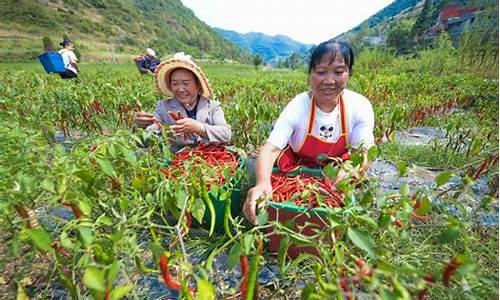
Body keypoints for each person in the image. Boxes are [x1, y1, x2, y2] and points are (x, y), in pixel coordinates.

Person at [243, 39, 375, 225]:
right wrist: (263, 181)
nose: (329, 81)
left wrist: (351, 169)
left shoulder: (359, 106)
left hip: (336, 171)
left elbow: (365, 152)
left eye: (339, 72)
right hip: (297, 170)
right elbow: (271, 148)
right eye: (321, 72)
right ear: (310, 74)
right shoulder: (298, 106)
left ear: (349, 74)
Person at [141, 52, 231, 151]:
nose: (180, 89)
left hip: (210, 158)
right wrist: (141, 127)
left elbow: (226, 134)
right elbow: (148, 139)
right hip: (177, 161)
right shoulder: (163, 107)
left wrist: (200, 128)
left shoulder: (213, 106)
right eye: (175, 83)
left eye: (185, 83)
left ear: (198, 85)